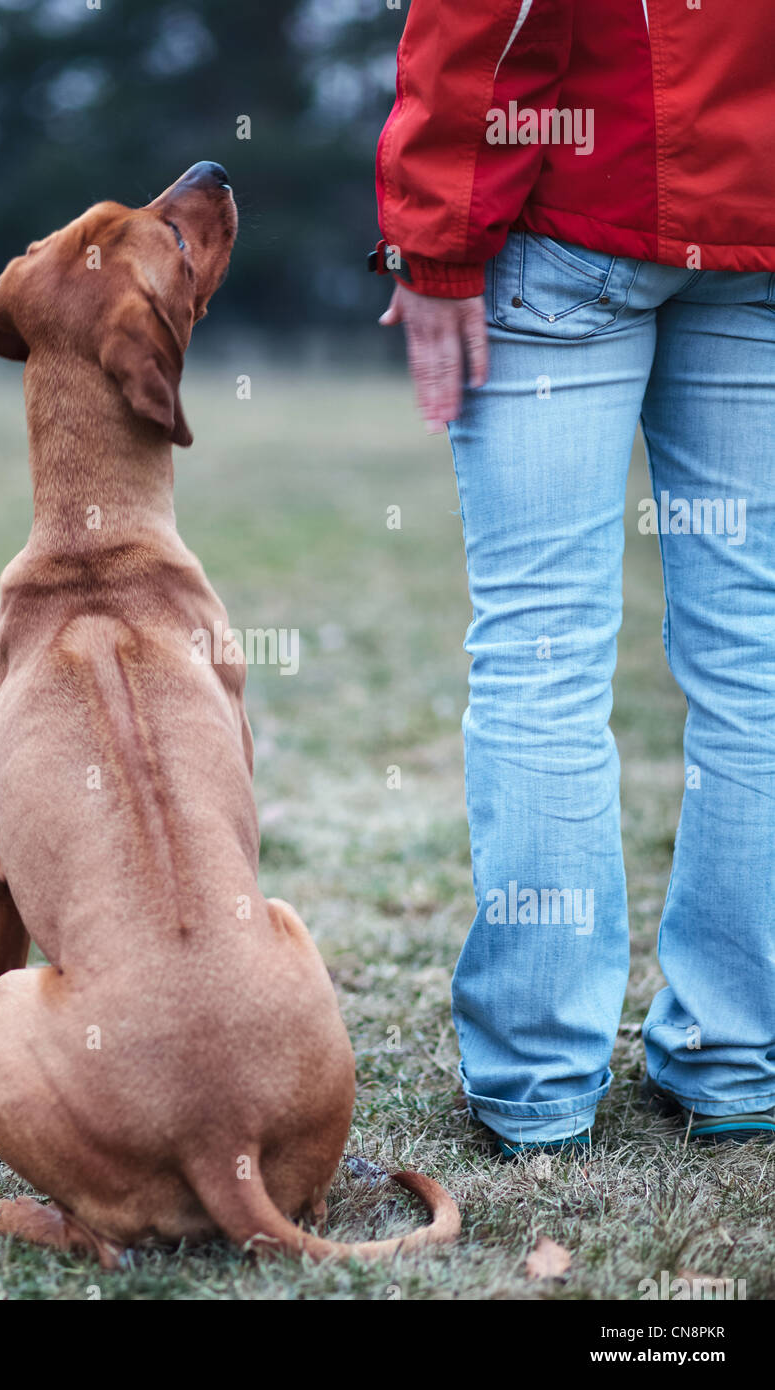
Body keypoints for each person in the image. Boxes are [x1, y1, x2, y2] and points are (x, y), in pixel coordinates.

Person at [373, 0, 775, 1156]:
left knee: (540, 650)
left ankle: (540, 1081)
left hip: (571, 213)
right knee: (753, 657)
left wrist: (439, 235)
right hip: (755, 231)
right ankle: (737, 1055)